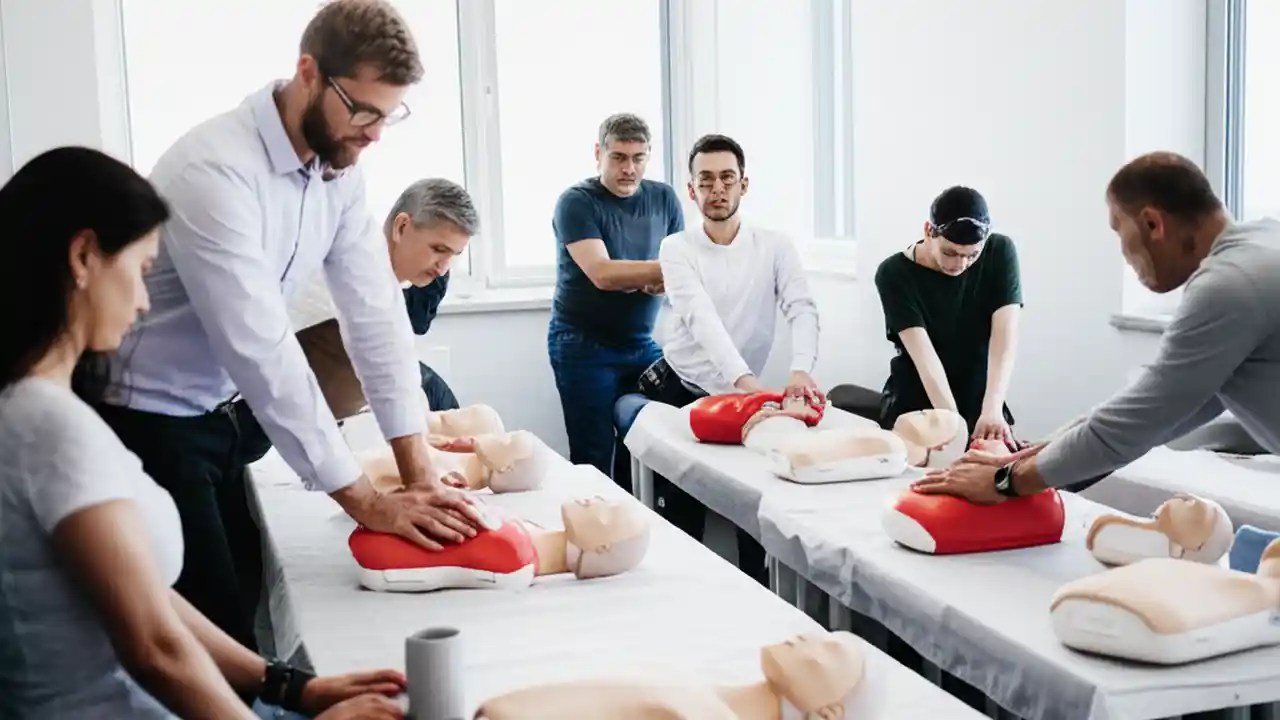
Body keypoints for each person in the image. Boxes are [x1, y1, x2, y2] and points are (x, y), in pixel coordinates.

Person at [95, 0, 481, 655]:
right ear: (308, 73)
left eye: (389, 116)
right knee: (210, 640)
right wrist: (365, 501)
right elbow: (261, 349)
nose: (374, 135)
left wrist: (416, 469)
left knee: (255, 614)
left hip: (221, 415)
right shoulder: (214, 170)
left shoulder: (339, 171)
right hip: (149, 422)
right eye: (362, 110)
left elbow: (376, 317)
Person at [0, 147, 403, 719]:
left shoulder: (41, 411)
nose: (143, 302)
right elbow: (154, 649)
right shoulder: (49, 427)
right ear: (84, 256)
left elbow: (151, 600)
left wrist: (288, 685)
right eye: (141, 271)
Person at [915, 152, 1280, 504]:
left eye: (1121, 233)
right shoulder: (1263, 243)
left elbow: (1136, 423)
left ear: (1153, 223)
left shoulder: (1228, 287)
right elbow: (1157, 411)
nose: (1124, 254)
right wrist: (1020, 459)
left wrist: (1004, 482)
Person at [642, 133, 823, 584]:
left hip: (743, 393)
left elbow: (802, 307)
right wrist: (748, 387)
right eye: (706, 180)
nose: (717, 188)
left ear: (744, 184)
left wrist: (801, 369)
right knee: (684, 521)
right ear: (692, 190)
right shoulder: (676, 249)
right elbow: (703, 321)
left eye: (727, 178)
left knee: (751, 508)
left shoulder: (775, 245)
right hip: (681, 390)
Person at [548, 112, 685, 485]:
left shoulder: (664, 198)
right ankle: (596, 539)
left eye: (638, 158)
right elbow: (603, 274)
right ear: (599, 153)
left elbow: (681, 269)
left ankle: (639, 532)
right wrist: (663, 271)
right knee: (594, 457)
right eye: (619, 158)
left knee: (652, 444)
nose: (629, 169)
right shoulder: (576, 202)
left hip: (641, 345)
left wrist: (659, 278)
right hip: (583, 347)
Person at [296, 177, 476, 417]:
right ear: (401, 227)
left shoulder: (380, 279)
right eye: (438, 250)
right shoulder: (351, 278)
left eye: (454, 255)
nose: (443, 268)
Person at [864, 185, 1023, 446]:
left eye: (972, 255)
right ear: (928, 231)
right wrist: (954, 429)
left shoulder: (999, 252)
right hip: (919, 404)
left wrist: (992, 409)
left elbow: (1004, 338)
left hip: (980, 398)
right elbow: (926, 359)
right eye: (950, 252)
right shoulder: (893, 273)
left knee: (997, 476)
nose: (960, 264)